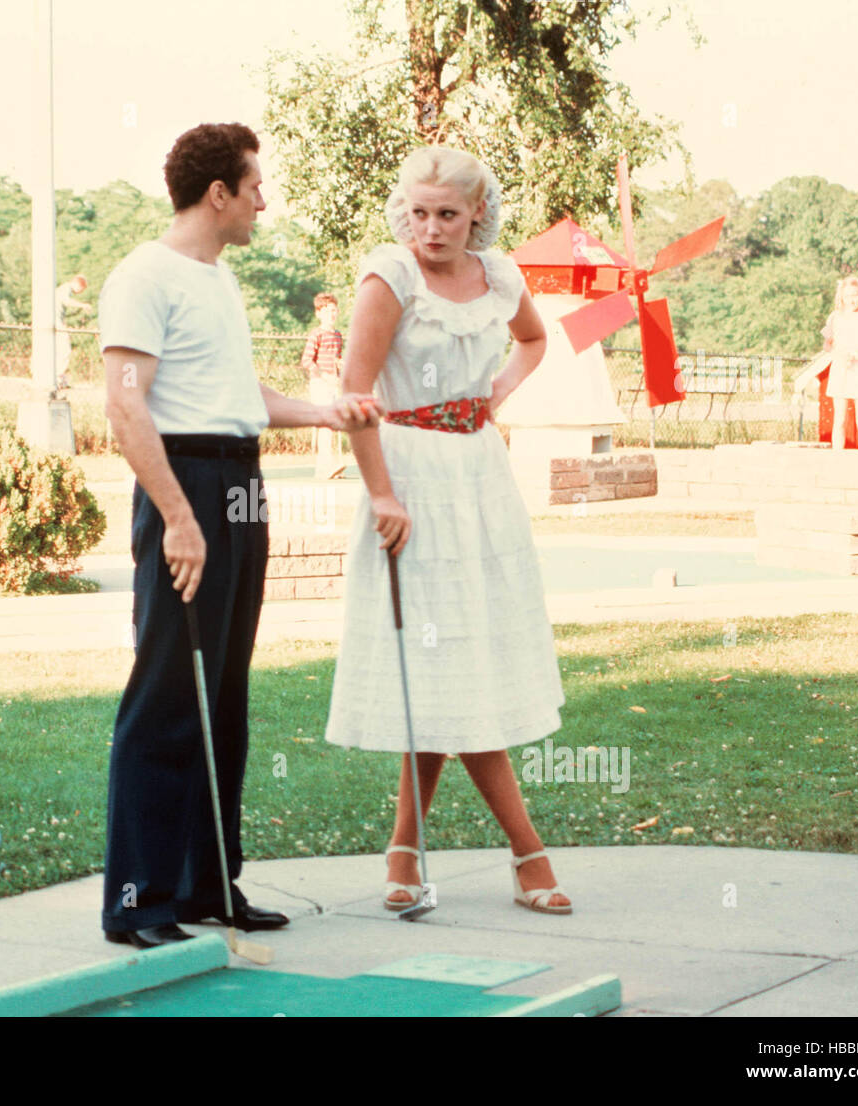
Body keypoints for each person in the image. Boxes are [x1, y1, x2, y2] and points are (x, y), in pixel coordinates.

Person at [99, 122, 383, 948]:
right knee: (166, 692)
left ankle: (205, 885)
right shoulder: (141, 277)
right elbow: (125, 404)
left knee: (223, 690)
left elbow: (239, 394)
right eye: (255, 184)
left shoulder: (217, 281)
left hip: (240, 481)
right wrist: (180, 519)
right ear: (217, 192)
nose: (265, 197)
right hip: (184, 484)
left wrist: (325, 409)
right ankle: (138, 901)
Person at [324, 145, 573, 915]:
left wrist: (491, 394)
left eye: (448, 214)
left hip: (478, 476)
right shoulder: (389, 278)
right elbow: (354, 395)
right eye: (420, 212)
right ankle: (528, 852)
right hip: (408, 479)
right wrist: (382, 496)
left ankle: (404, 852)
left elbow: (535, 340)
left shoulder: (498, 277)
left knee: (454, 668)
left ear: (477, 216)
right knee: (445, 666)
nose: (430, 228)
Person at [793, 276, 858, 450]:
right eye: (847, 296)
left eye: (855, 295)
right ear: (841, 297)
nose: (851, 300)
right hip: (840, 368)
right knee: (840, 419)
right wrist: (832, 347)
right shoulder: (835, 317)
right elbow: (827, 345)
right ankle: (838, 458)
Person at [302, 292, 346, 478]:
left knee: (334, 423)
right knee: (325, 424)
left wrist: (339, 370)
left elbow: (337, 359)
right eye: (328, 311)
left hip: (333, 383)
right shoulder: (316, 334)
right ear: (319, 313)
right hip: (320, 383)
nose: (332, 314)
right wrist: (323, 376)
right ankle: (324, 467)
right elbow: (307, 361)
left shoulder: (337, 335)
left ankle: (330, 466)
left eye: (334, 310)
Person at [53, 274, 91, 393]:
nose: (80, 292)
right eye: (81, 290)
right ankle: (58, 377)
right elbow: (66, 301)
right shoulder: (66, 289)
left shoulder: (62, 289)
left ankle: (59, 378)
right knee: (64, 349)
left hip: (55, 321)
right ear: (79, 285)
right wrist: (83, 305)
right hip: (56, 322)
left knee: (59, 350)